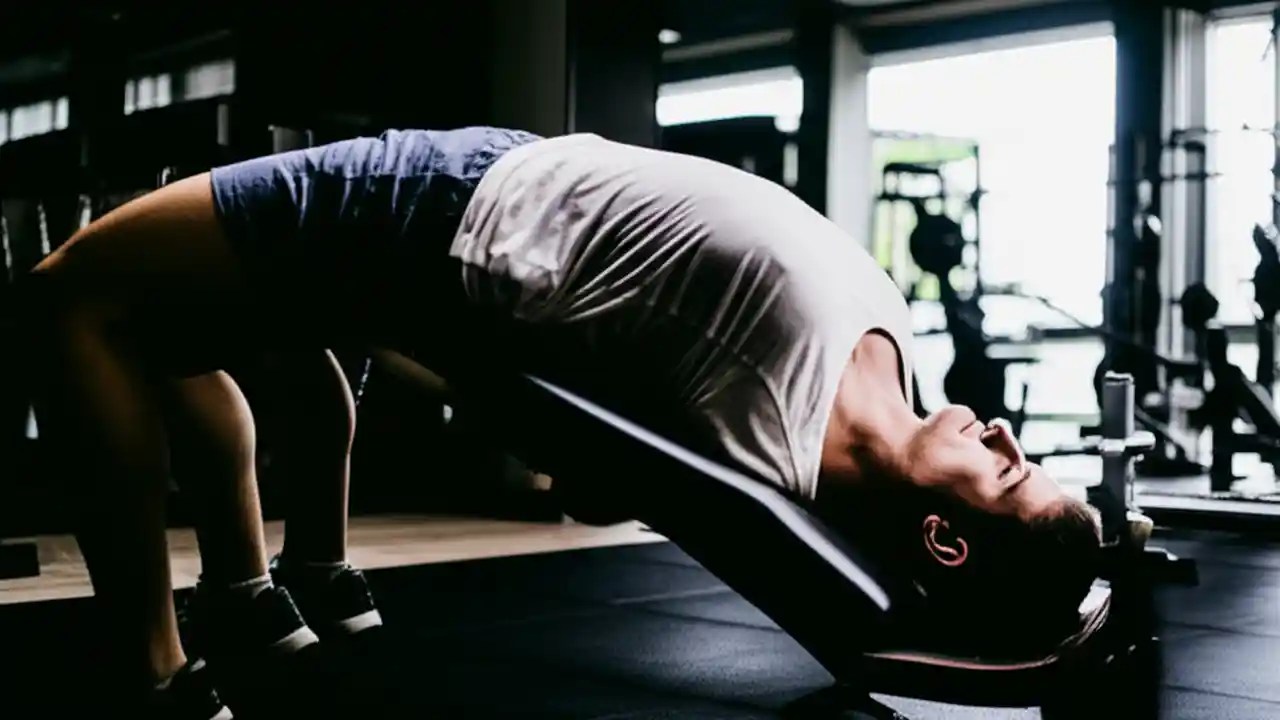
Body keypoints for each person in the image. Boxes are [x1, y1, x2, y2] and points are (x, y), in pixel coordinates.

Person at [20, 126, 1100, 717]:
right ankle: (255, 598)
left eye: (1007, 474)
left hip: (440, 206)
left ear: (943, 539)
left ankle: (153, 680)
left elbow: (588, 471)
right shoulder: (885, 363)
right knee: (172, 330)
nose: (1003, 436)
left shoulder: (771, 443)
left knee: (73, 295)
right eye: (1023, 452)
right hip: (486, 194)